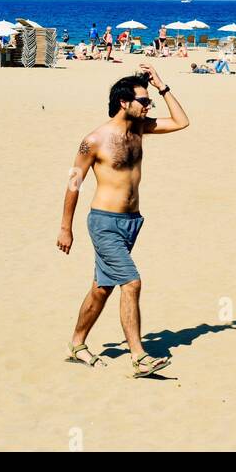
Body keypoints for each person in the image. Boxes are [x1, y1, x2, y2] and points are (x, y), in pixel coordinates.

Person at [56, 65, 189, 378]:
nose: (148, 106)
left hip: (131, 222)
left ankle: (77, 344)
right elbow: (74, 182)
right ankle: (139, 357)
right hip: (104, 223)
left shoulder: (139, 129)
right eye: (143, 101)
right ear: (123, 103)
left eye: (148, 101)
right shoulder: (94, 140)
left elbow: (182, 122)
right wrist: (66, 227)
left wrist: (161, 86)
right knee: (131, 282)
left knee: (102, 289)